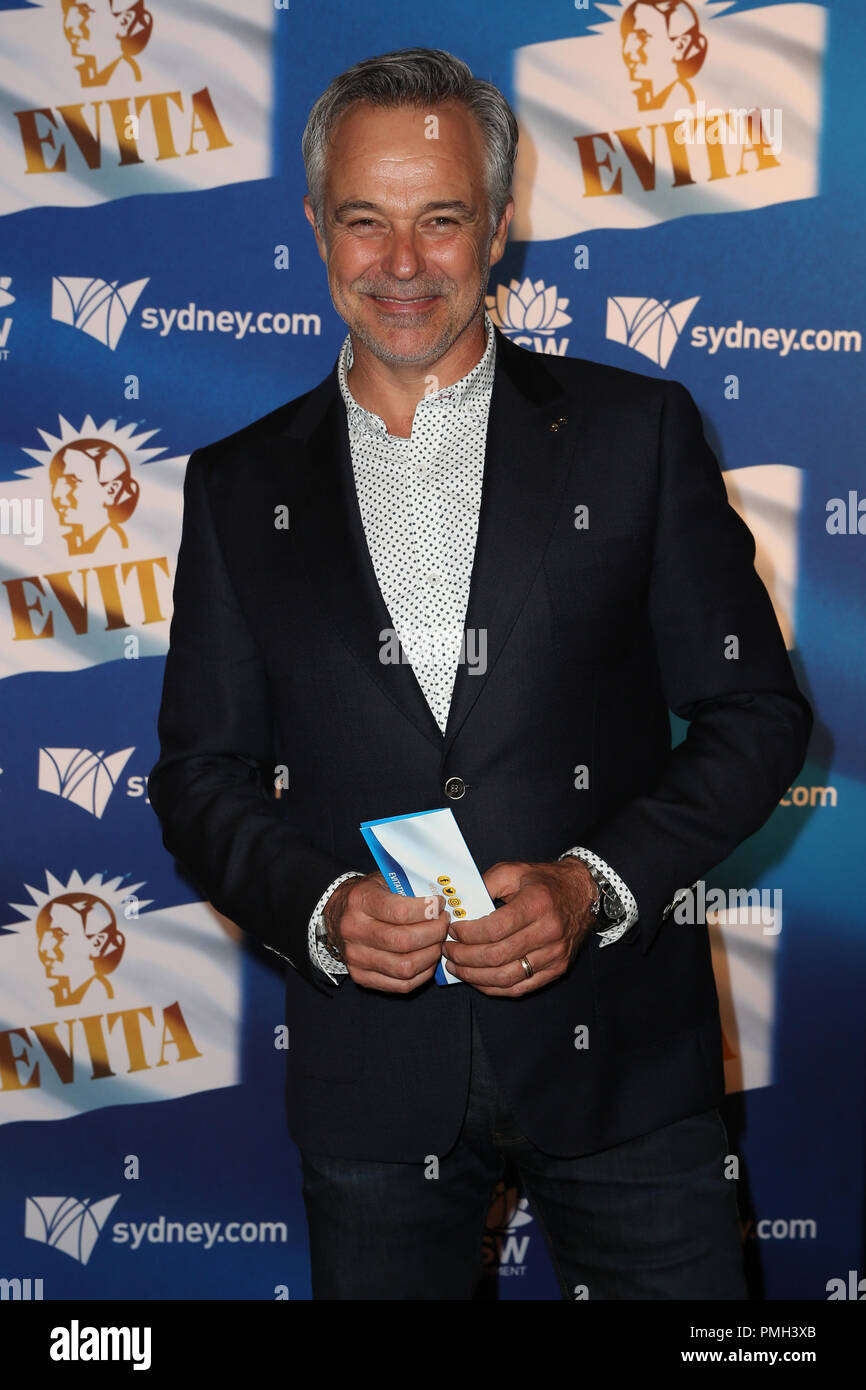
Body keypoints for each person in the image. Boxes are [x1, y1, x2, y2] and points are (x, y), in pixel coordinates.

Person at [148, 48, 812, 1300]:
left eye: (439, 218)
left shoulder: (636, 436)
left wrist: (591, 884)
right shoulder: (236, 488)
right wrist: (323, 911)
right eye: (365, 220)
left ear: (499, 227)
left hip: (622, 1063)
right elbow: (199, 775)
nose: (401, 263)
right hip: (368, 1081)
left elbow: (754, 714)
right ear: (315, 228)